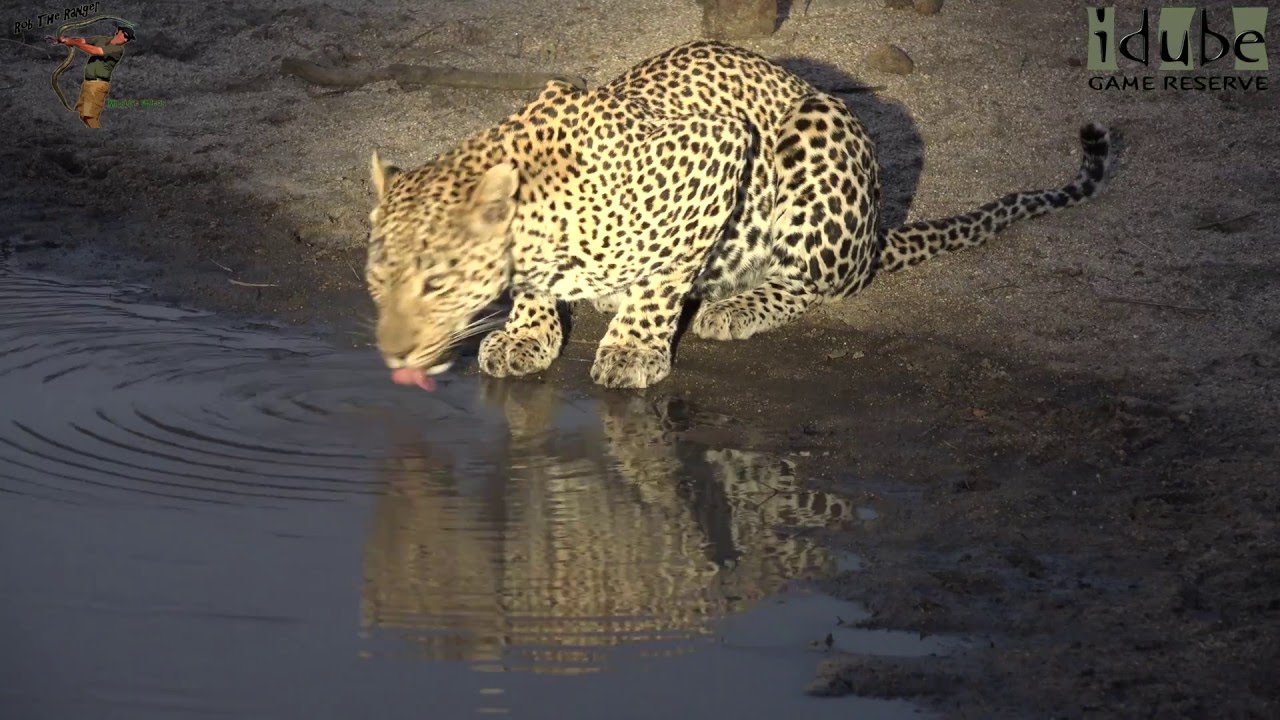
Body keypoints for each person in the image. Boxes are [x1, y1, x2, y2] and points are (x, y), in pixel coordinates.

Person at [53, 25, 134, 128]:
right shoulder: (101, 39)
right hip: (89, 83)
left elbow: (96, 51)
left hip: (98, 85)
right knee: (82, 114)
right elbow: (82, 41)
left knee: (89, 117)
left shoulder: (118, 49)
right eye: (126, 35)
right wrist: (64, 40)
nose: (126, 40)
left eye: (128, 39)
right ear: (119, 31)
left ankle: (98, 138)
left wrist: (71, 42)